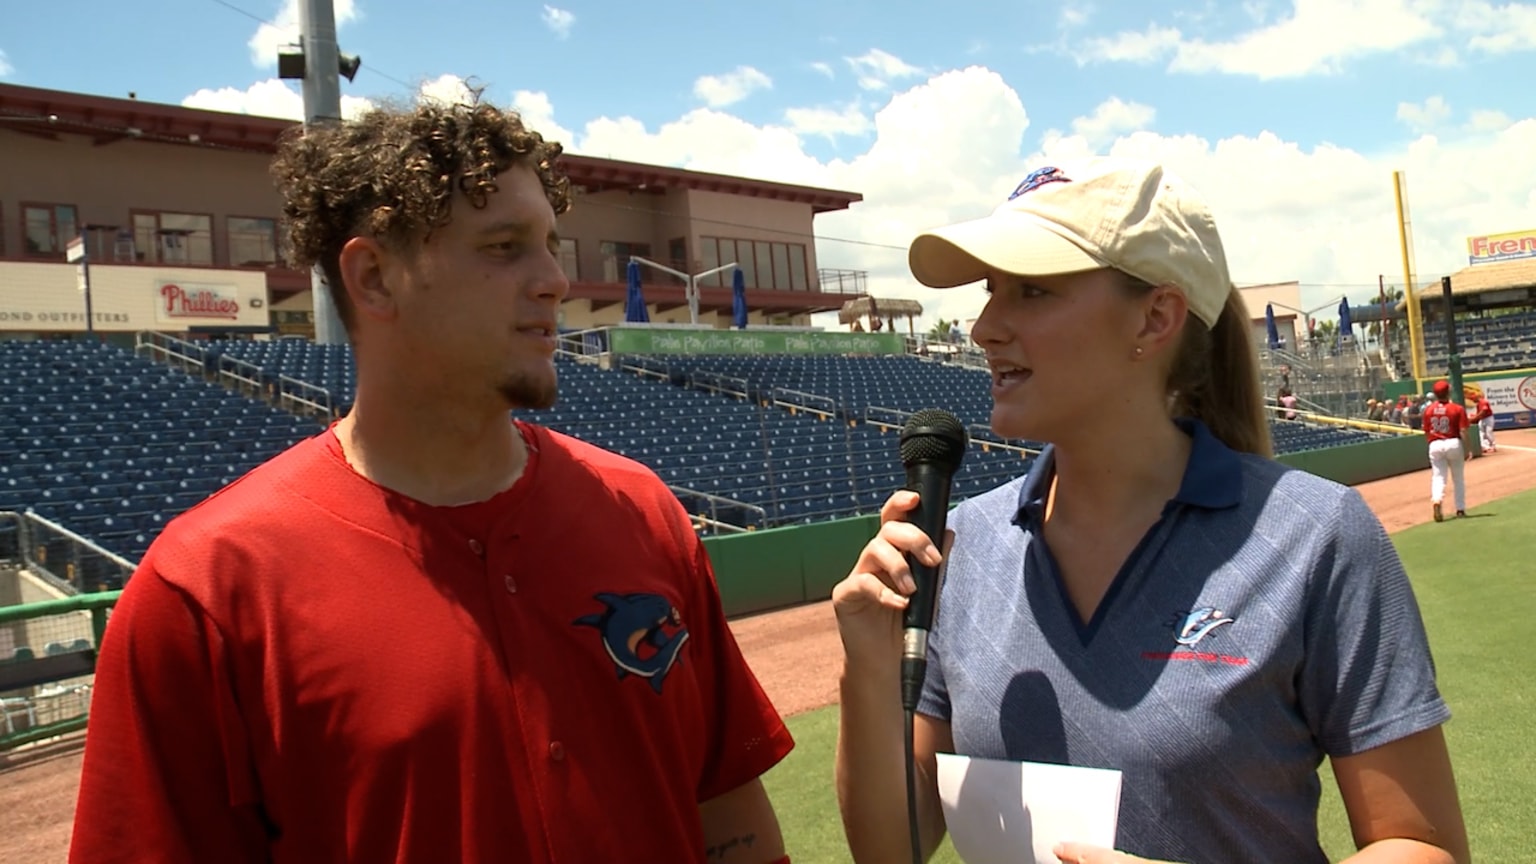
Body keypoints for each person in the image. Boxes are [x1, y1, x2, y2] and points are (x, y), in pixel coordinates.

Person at [71, 92, 794, 864]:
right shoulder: (205, 592)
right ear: (375, 278)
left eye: (552, 244)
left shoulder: (640, 509)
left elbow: (725, 811)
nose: (554, 278)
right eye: (503, 246)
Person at [832, 158, 1469, 864]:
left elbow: (1422, 846)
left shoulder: (1316, 534)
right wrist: (867, 668)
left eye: (1033, 291)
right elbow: (890, 850)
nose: (985, 327)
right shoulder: (962, 544)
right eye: (991, 293)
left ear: (1156, 316)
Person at [1424, 379, 1470, 522]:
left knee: (1438, 477)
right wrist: (1468, 449)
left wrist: (1432, 442)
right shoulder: (1457, 408)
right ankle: (1460, 509)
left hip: (1435, 443)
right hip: (1453, 442)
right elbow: (1463, 430)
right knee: (1458, 479)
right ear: (1448, 391)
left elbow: (1426, 430)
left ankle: (1437, 499)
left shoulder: (1428, 410)